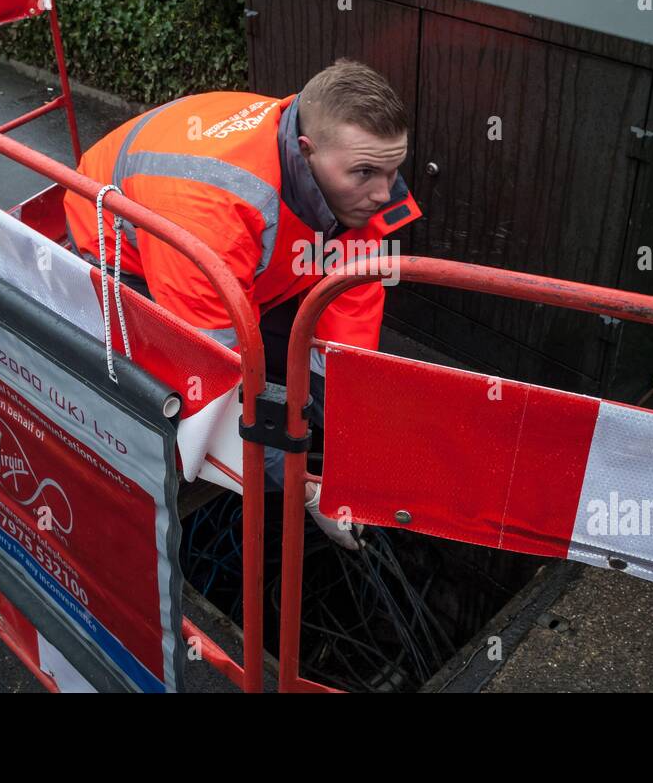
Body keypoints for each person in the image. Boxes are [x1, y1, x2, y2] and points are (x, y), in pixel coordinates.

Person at [62, 58, 421, 548]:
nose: (384, 194)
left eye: (392, 169)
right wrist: (301, 488)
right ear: (306, 151)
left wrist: (351, 440)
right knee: (175, 387)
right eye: (365, 174)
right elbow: (212, 381)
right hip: (124, 243)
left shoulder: (354, 177)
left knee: (272, 341)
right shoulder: (211, 218)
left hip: (232, 240)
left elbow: (349, 311)